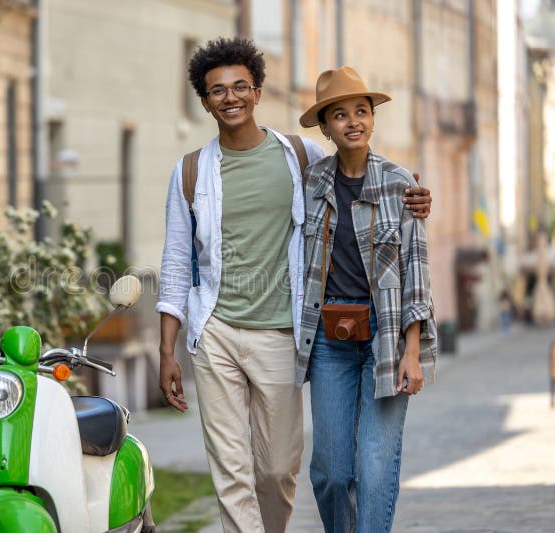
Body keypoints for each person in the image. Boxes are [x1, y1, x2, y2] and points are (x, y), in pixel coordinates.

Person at [156, 38, 432, 532]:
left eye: (241, 85)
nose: (231, 96)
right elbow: (177, 262)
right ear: (205, 101)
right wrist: (167, 348)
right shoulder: (197, 171)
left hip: (293, 333)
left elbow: (398, 238)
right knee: (249, 470)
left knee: (279, 468)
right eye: (218, 90)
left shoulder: (300, 159)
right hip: (227, 330)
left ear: (258, 92)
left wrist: (415, 202)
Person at [295, 66, 438, 533]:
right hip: (329, 341)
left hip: (387, 336)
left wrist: (411, 352)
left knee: (375, 467)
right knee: (333, 473)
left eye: (361, 111)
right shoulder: (310, 183)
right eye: (340, 115)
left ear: (373, 119)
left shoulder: (401, 184)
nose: (353, 121)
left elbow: (417, 272)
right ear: (326, 128)